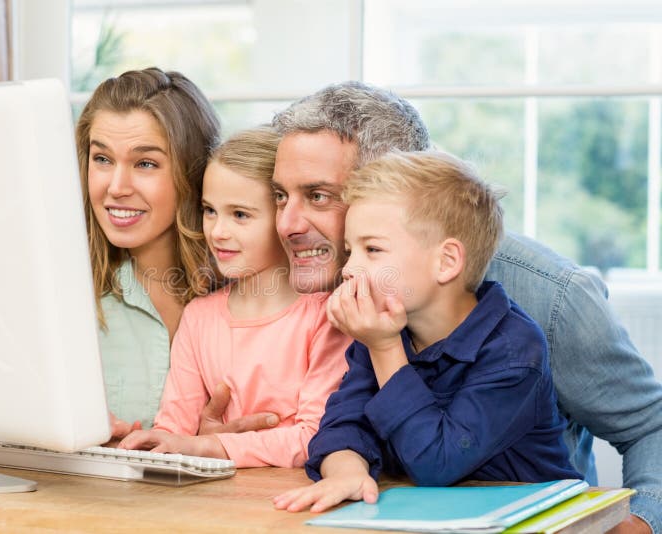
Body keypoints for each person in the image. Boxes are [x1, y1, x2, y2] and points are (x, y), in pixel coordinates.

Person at [265, 81, 661, 532]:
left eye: (318, 196)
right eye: (280, 195)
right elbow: (340, 421)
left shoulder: (548, 299)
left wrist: (642, 522)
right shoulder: (346, 295)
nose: (287, 224)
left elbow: (650, 425)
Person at [274, 150, 582, 512]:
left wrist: (386, 348)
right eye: (349, 250)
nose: (349, 269)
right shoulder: (380, 332)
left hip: (530, 519)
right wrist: (345, 470)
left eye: (372, 249)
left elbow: (436, 462)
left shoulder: (513, 351)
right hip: (427, 515)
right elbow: (344, 422)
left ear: (446, 262)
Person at [117, 127, 351, 466]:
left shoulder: (325, 316)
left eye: (240, 215)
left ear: (283, 218)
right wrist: (147, 444)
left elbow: (315, 437)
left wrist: (211, 447)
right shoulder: (199, 318)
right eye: (210, 210)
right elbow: (175, 430)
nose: (218, 231)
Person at [75, 67, 220, 432]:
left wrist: (218, 443)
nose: (117, 187)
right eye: (102, 159)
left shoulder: (245, 291)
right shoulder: (66, 296)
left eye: (145, 163)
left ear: (192, 173)